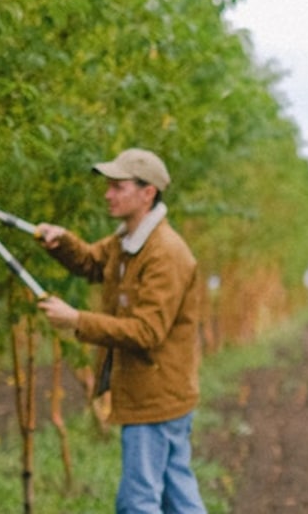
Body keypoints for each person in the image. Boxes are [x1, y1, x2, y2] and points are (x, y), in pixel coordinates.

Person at [35, 147, 207, 514]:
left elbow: (147, 332)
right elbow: (92, 261)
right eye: (108, 186)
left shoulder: (165, 253)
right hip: (156, 393)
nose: (108, 194)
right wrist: (61, 240)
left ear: (148, 193)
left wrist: (76, 320)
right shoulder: (126, 243)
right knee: (177, 497)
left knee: (137, 503)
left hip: (155, 397)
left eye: (118, 186)